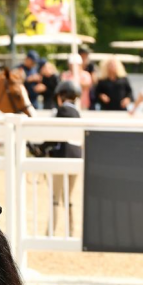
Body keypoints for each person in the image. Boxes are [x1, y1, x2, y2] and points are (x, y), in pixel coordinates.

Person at [43, 80, 82, 234]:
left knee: (55, 197)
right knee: (69, 197)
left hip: (61, 159)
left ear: (61, 96)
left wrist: (41, 148)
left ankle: (50, 231)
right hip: (76, 157)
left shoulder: (61, 111)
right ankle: (71, 230)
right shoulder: (78, 114)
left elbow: (53, 135)